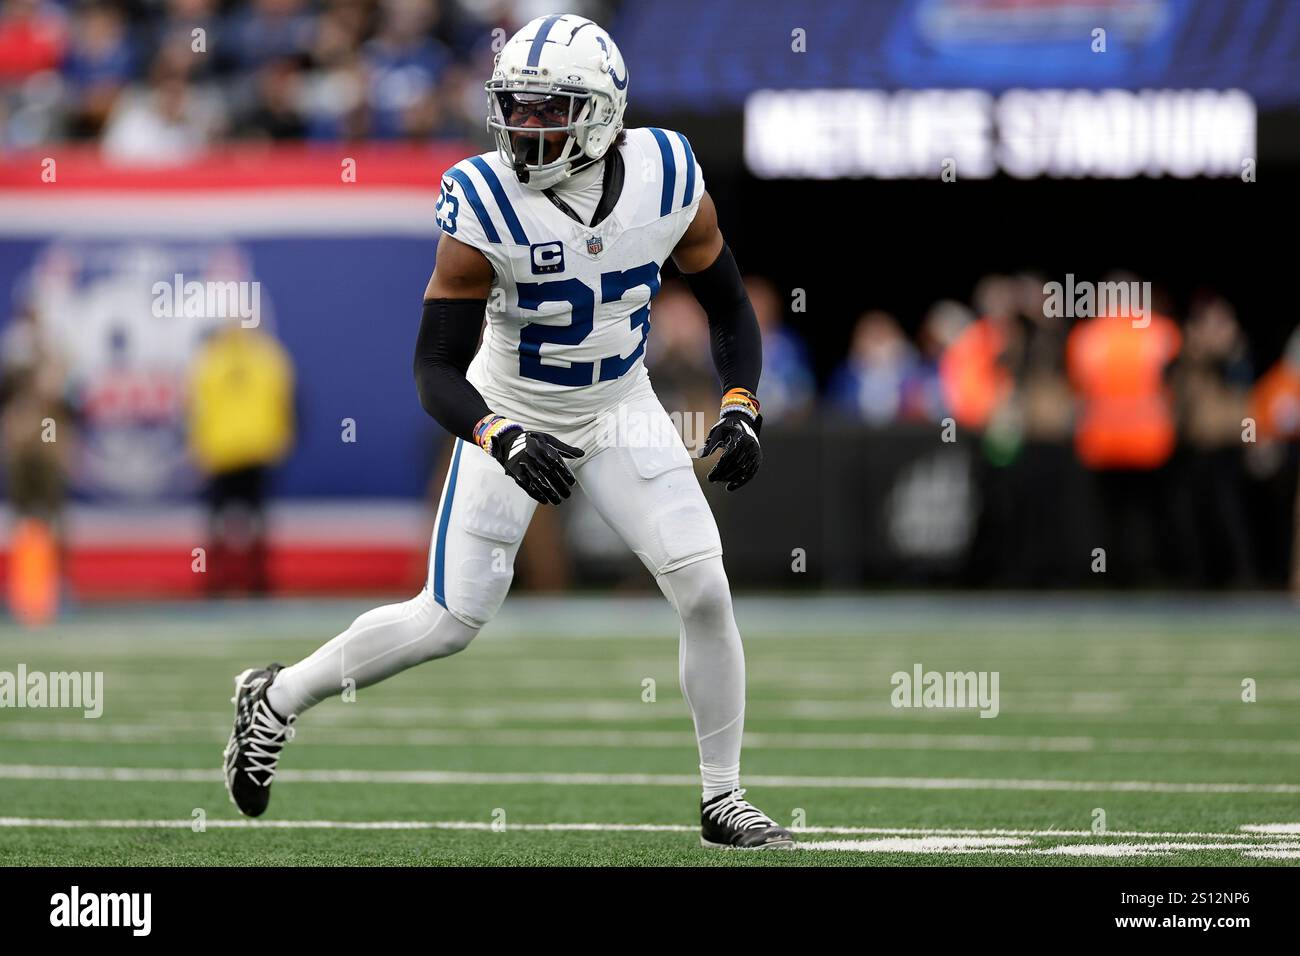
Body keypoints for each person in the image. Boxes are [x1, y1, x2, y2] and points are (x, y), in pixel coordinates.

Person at [223, 15, 793, 851]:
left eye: (546, 110)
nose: (524, 127)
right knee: (451, 620)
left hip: (620, 400)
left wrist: (740, 400)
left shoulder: (666, 172)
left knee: (703, 585)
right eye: (516, 108)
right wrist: (501, 437)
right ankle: (273, 700)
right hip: (511, 402)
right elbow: (435, 370)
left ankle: (723, 797)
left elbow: (727, 301)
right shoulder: (483, 200)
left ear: (601, 114)